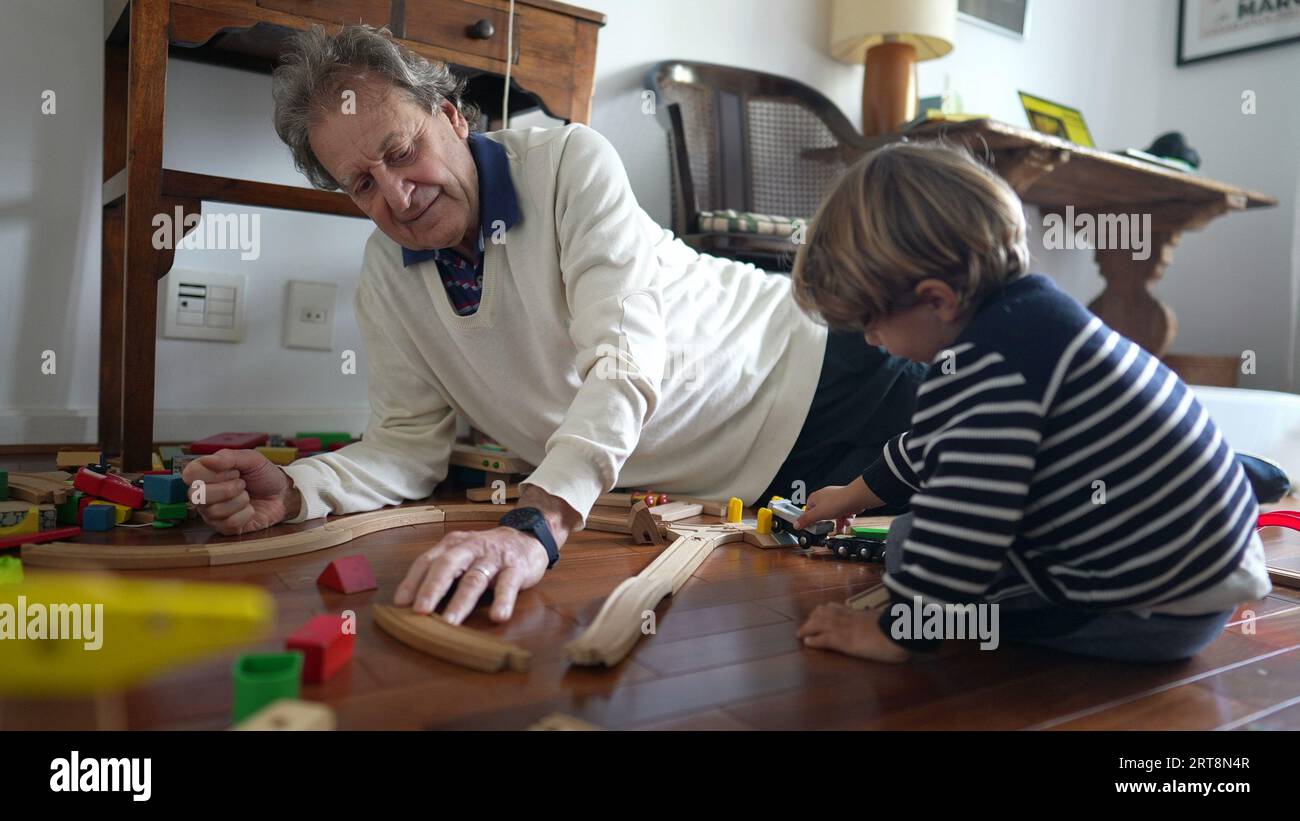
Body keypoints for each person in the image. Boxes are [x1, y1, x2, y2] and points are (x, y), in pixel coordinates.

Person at [181, 25, 925, 625]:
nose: (398, 196)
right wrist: (295, 484)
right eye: (363, 185)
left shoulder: (570, 161)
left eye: (401, 152)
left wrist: (537, 524)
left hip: (826, 371)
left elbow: (626, 362)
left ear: (450, 115)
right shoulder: (386, 274)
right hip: (754, 486)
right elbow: (407, 445)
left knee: (1014, 529)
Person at [789, 142, 1271, 663]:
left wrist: (895, 630)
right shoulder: (1036, 319)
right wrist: (857, 493)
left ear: (937, 300)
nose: (869, 342)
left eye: (870, 323)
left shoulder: (987, 369)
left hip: (1147, 611)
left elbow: (962, 520)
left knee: (914, 549)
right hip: (1201, 577)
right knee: (910, 537)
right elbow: (939, 442)